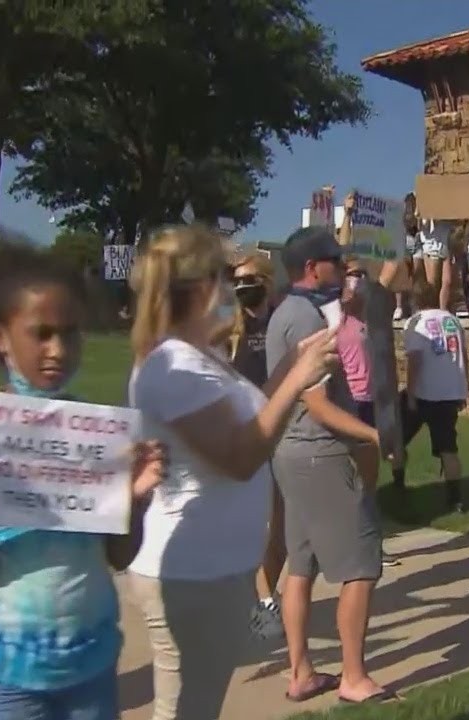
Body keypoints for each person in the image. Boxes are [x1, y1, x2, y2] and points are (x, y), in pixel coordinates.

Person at [0, 244, 165, 719]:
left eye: (70, 334)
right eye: (40, 334)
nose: (58, 350)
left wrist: (134, 501)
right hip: (2, 672)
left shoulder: (95, 440)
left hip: (89, 663)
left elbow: (118, 555)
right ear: (0, 336)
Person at [126, 225, 340, 717]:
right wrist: (300, 380)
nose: (232, 290)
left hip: (215, 572)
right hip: (189, 573)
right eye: (225, 278)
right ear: (201, 287)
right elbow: (241, 455)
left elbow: (253, 417)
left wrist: (292, 364)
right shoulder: (170, 366)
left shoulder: (202, 356)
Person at [265, 226, 392, 704]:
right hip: (319, 450)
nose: (341, 269)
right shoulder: (305, 320)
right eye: (335, 261)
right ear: (312, 267)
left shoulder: (294, 311)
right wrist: (374, 435)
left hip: (291, 452)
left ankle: (300, 671)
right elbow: (317, 405)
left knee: (302, 565)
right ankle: (355, 678)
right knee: (361, 564)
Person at [221, 251, 289, 639]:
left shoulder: (281, 320)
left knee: (277, 534)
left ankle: (261, 597)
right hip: (243, 435)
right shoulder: (228, 326)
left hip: (280, 432)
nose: (244, 287)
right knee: (247, 529)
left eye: (252, 279)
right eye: (238, 280)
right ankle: (261, 604)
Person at [337, 258, 402, 568]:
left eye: (362, 274)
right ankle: (348, 540)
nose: (357, 279)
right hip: (346, 402)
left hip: (372, 400)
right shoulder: (333, 317)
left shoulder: (373, 316)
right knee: (345, 478)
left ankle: (370, 541)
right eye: (351, 274)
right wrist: (348, 215)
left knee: (369, 478)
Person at [397, 274, 469, 508]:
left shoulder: (415, 322)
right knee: (449, 447)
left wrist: (410, 394)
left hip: (425, 393)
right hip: (450, 392)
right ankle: (456, 499)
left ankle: (398, 486)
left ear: (414, 300)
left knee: (397, 439)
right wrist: (463, 388)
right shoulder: (452, 320)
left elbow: (415, 361)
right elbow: (464, 357)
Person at [414, 215, 456, 313]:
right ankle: (432, 310)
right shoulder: (423, 208)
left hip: (446, 244)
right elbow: (420, 225)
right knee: (433, 285)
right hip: (432, 247)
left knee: (447, 281)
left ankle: (443, 310)